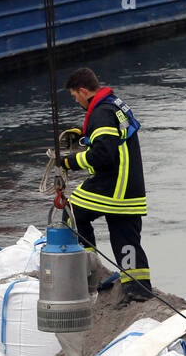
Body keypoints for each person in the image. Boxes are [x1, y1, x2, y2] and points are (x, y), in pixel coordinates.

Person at [60, 67, 152, 306]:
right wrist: (83, 134)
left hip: (113, 187)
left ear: (82, 91)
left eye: (74, 96)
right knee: (126, 239)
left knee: (71, 213)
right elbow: (112, 138)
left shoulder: (100, 113)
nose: (76, 101)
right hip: (131, 188)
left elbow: (103, 155)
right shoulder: (114, 104)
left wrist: (69, 162)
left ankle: (88, 270)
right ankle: (139, 291)